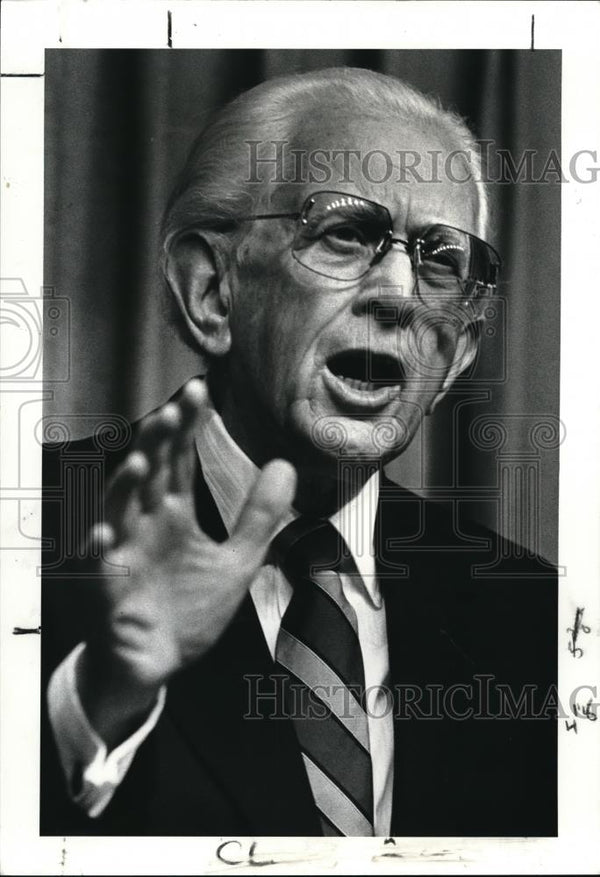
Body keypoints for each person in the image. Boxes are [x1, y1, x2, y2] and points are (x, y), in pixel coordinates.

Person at [41, 67, 557, 837]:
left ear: (455, 359)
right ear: (213, 291)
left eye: (440, 260)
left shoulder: (535, 616)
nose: (401, 294)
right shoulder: (31, 528)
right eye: (347, 234)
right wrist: (105, 690)